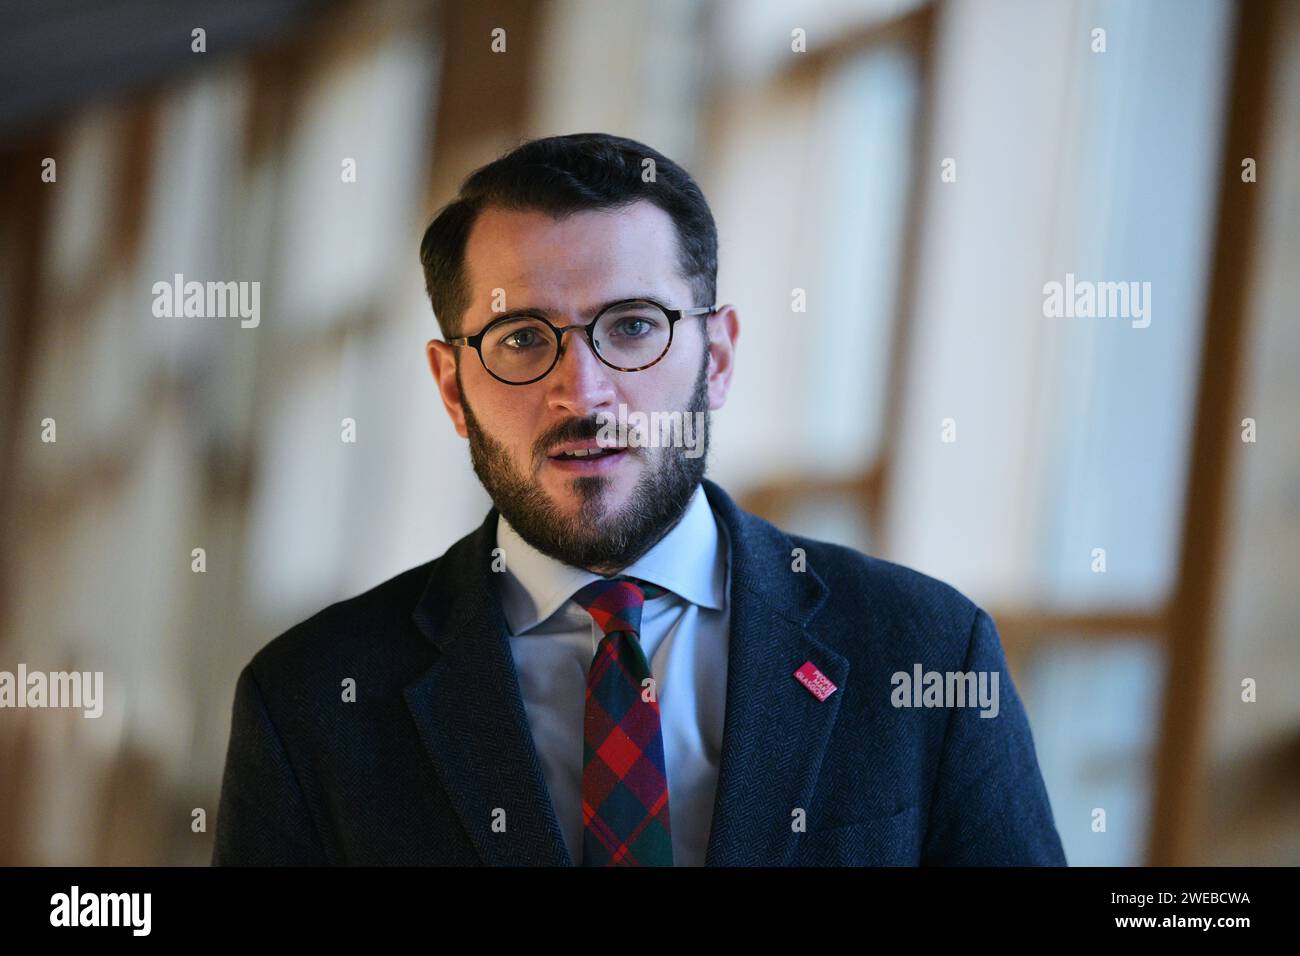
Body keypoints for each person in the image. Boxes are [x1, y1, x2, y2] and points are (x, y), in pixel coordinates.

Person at [212, 132, 1066, 866]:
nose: (583, 395)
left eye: (632, 327)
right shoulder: (310, 703)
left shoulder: (928, 654)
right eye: (521, 339)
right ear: (450, 386)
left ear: (718, 355)